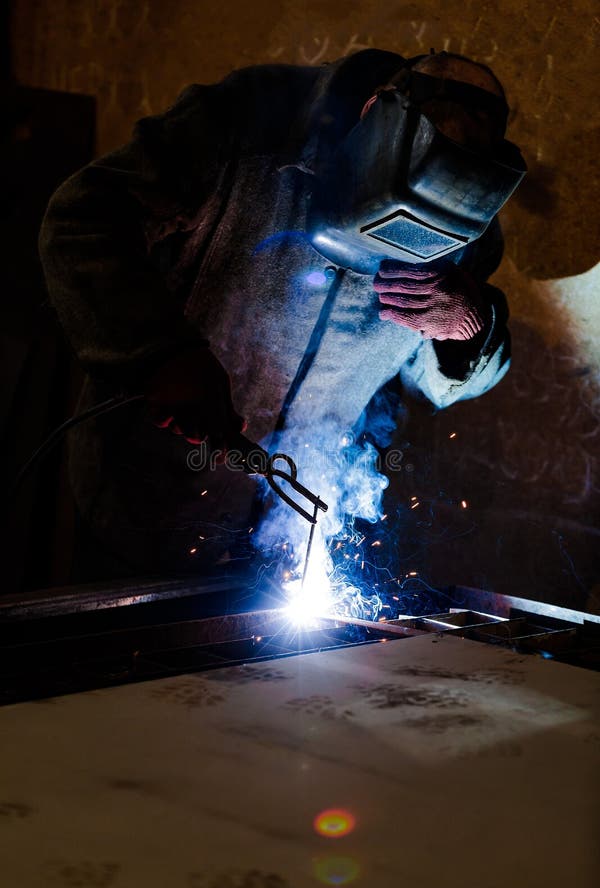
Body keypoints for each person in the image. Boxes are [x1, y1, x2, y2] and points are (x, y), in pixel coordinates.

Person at [38, 49, 524, 580]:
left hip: (304, 526)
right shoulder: (249, 120)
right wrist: (158, 353)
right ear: (370, 117)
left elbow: (439, 382)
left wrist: (471, 327)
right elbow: (85, 216)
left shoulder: (469, 218)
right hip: (149, 506)